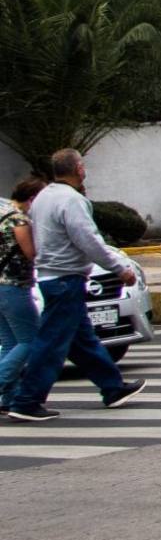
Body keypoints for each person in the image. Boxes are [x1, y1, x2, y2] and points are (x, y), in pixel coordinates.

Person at [5, 149, 145, 423]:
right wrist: (119, 269)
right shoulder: (72, 200)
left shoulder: (45, 196)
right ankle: (26, 401)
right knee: (51, 344)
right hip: (65, 279)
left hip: (52, 277)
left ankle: (113, 388)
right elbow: (88, 239)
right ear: (79, 169)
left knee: (83, 341)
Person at [0, 177, 46, 416]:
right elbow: (31, 253)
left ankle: (8, 399)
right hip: (13, 287)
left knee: (10, 343)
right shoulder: (19, 219)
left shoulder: (2, 211)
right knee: (31, 339)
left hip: (1, 288)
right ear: (32, 199)